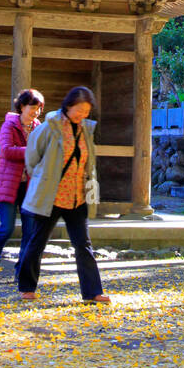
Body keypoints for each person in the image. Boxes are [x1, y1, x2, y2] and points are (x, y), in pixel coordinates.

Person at [17, 85, 110, 305]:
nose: (82, 114)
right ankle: (27, 286)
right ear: (68, 106)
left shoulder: (86, 129)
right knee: (37, 241)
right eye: (79, 109)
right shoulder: (50, 126)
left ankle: (92, 292)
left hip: (77, 195)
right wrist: (42, 177)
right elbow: (32, 156)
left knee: (83, 244)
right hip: (52, 195)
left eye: (86, 111)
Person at [0, 88, 44, 280]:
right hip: (9, 184)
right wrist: (32, 150)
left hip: (30, 187)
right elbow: (7, 151)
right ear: (22, 106)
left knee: (30, 230)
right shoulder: (9, 125)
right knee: (7, 227)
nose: (36, 111)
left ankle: (22, 270)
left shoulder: (39, 127)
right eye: (32, 107)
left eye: (39, 108)